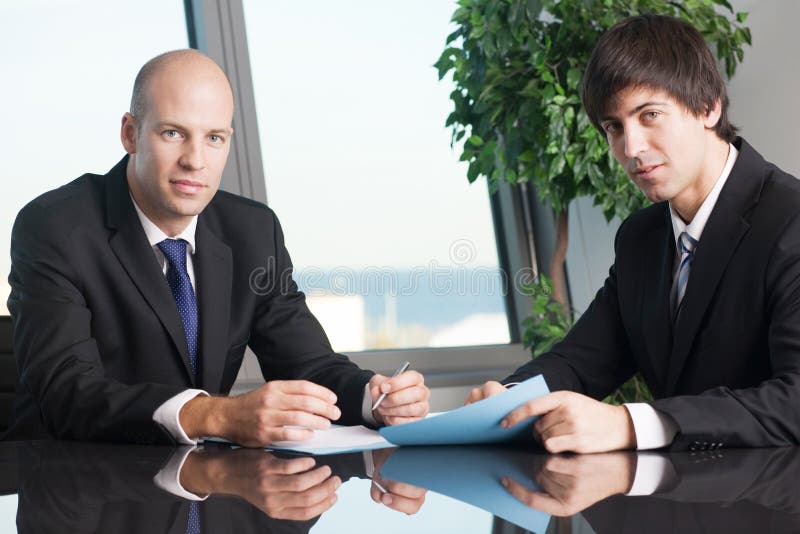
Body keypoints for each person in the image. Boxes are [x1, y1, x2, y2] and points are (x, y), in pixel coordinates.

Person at [5, 49, 429, 446]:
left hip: (198, 487)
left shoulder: (252, 230)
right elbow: (67, 394)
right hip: (73, 491)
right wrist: (216, 416)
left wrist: (373, 398)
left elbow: (308, 364)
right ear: (131, 134)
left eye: (214, 138)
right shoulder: (56, 227)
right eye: (173, 133)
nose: (195, 160)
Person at [469, 14, 800, 453]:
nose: (632, 148)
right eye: (614, 127)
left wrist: (633, 424)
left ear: (709, 107)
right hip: (676, 503)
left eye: (650, 116)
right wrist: (508, 401)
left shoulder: (791, 220)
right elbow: (583, 359)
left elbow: (796, 401)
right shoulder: (641, 237)